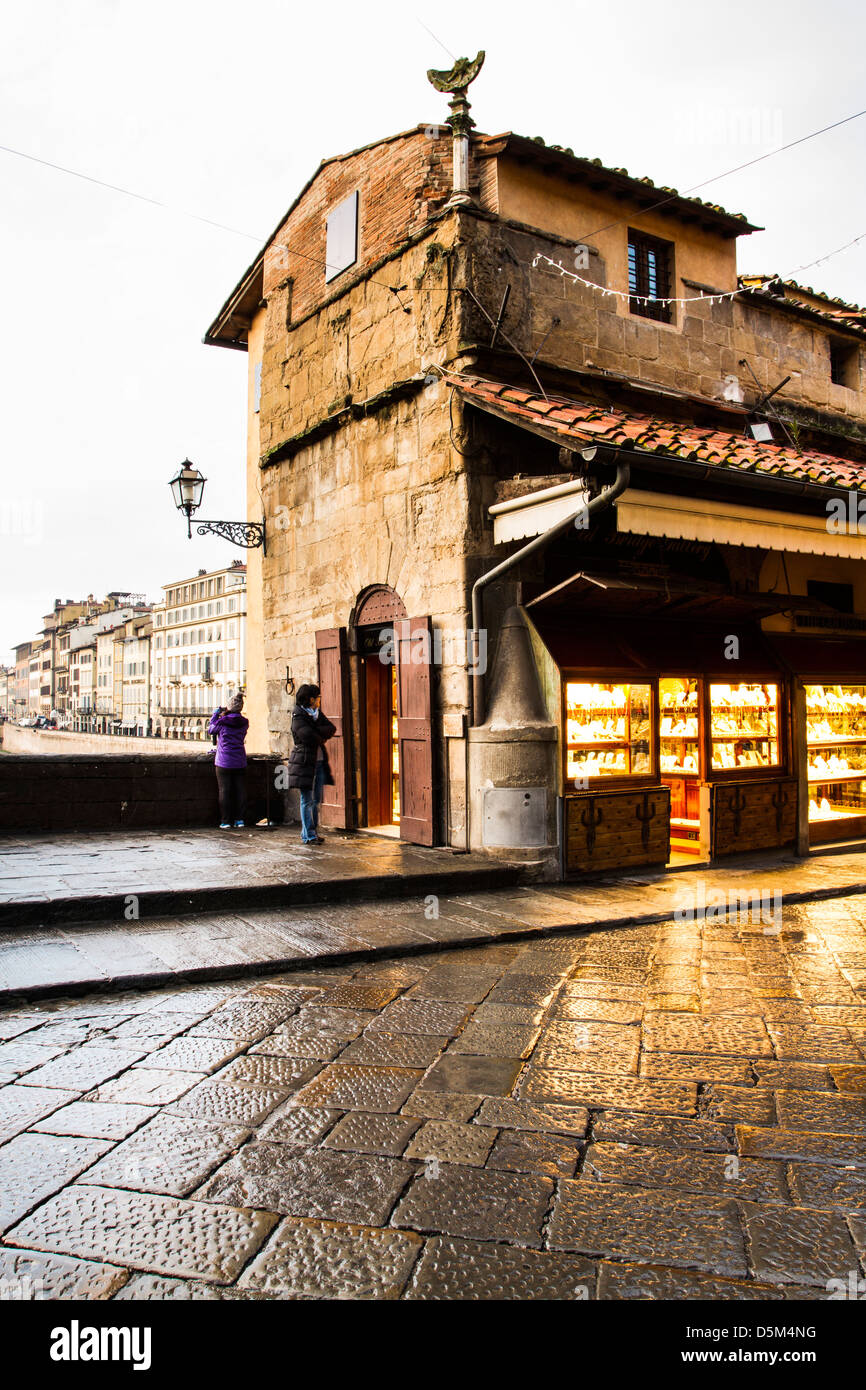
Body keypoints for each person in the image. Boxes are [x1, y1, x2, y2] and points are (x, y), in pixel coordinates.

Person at [287, 683, 336, 845]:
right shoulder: (298, 716)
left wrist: (317, 732)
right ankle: (308, 834)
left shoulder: (315, 714)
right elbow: (307, 736)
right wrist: (319, 734)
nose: (320, 700)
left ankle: (311, 832)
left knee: (315, 800)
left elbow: (331, 728)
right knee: (306, 800)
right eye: (318, 697)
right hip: (305, 762)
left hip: (319, 761)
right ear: (311, 699)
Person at [207, 693, 249, 829]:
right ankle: (240, 819)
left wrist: (215, 714)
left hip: (224, 761)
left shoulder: (223, 721)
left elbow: (211, 730)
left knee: (224, 791)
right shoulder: (244, 722)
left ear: (229, 707)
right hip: (240, 760)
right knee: (240, 790)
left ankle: (225, 821)